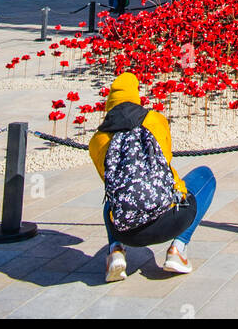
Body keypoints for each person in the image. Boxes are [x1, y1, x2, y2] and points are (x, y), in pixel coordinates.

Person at [89, 71, 216, 282]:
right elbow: (166, 160)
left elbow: (109, 180)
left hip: (127, 232)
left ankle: (116, 251)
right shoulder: (154, 120)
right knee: (205, 176)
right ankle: (178, 248)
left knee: (112, 197)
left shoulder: (97, 140)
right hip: (172, 219)